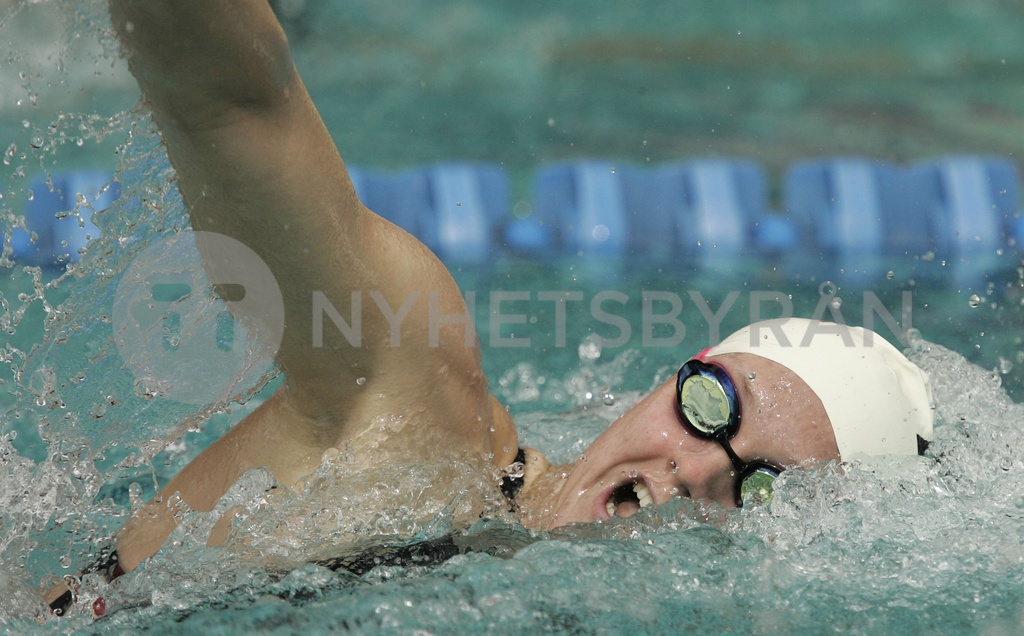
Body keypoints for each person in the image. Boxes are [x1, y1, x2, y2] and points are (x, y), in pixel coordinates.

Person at [47, 0, 934, 614]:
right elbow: (234, 103)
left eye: (762, 490)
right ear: (671, 378)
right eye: (714, 406)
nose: (698, 471)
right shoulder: (413, 404)